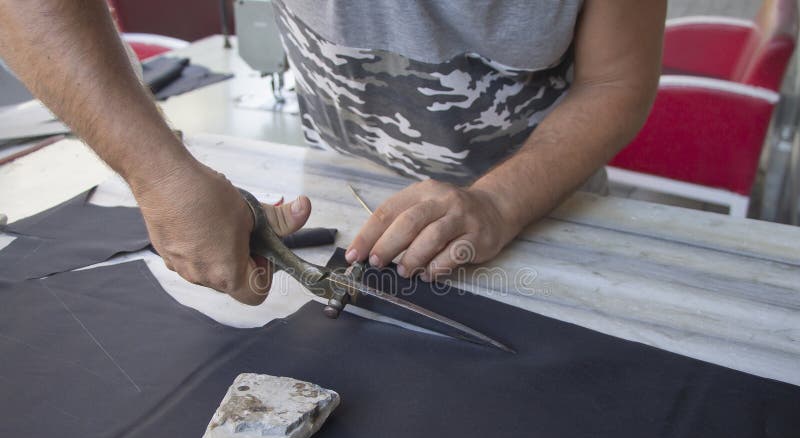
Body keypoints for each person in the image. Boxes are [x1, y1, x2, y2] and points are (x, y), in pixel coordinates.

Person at [0, 0, 666, 305]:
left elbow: (615, 82)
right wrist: (158, 174)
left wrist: (498, 202)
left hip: (544, 215)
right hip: (345, 206)